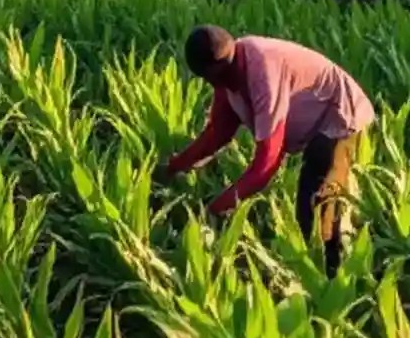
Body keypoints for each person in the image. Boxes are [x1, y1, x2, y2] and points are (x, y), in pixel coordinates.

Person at [158, 25, 375, 277]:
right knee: (310, 201)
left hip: (343, 117)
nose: (214, 85)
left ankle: (332, 280)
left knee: (316, 203)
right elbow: (217, 134)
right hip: (319, 123)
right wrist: (174, 167)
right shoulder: (228, 77)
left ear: (218, 69)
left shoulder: (262, 72)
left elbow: (267, 164)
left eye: (213, 78)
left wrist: (217, 208)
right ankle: (317, 273)